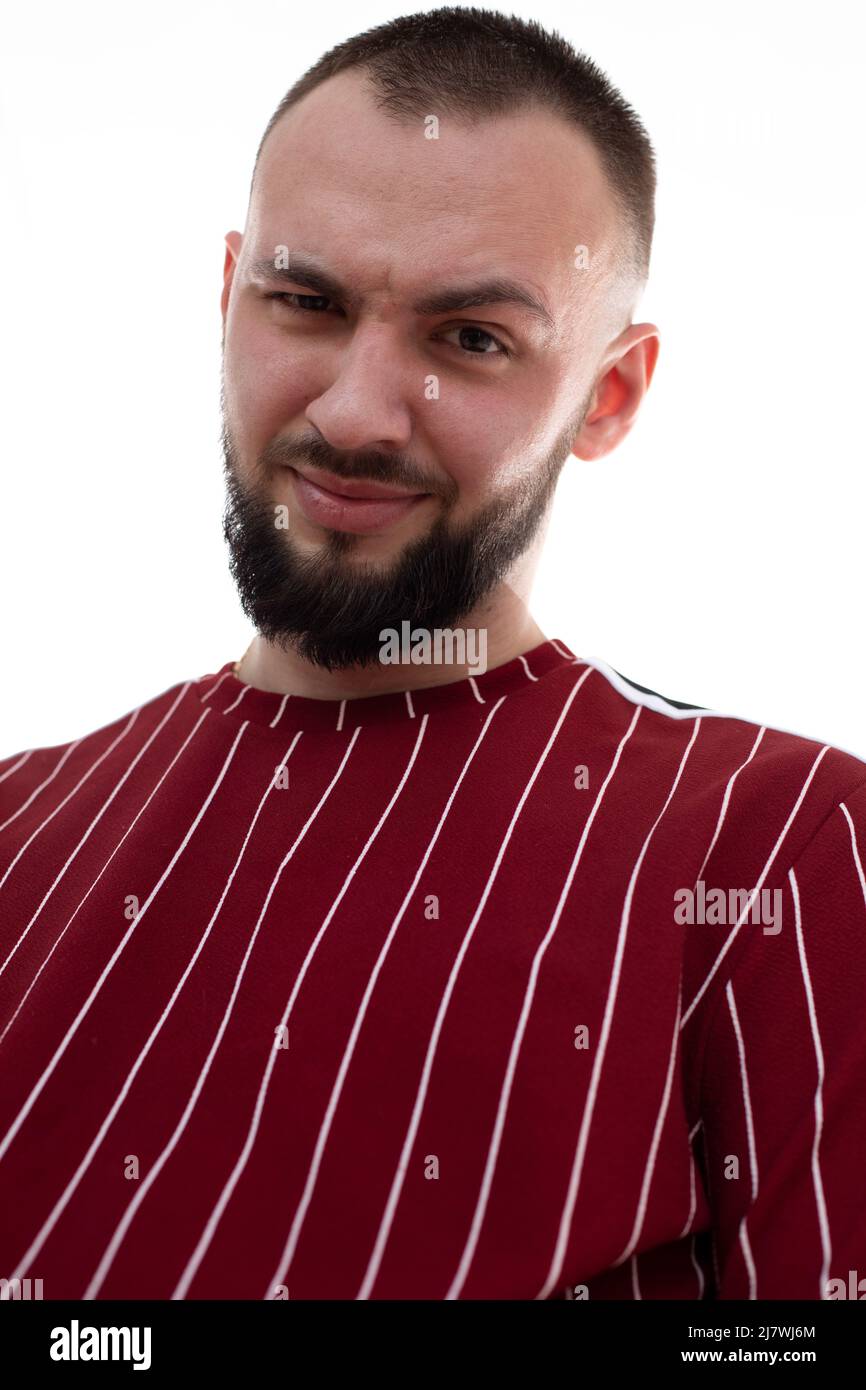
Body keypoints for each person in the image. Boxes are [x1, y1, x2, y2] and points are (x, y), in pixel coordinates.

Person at [1, 7, 864, 1302]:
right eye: (304, 300)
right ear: (227, 290)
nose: (351, 412)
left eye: (470, 339)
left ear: (609, 394)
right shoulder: (19, 818)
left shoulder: (784, 844)